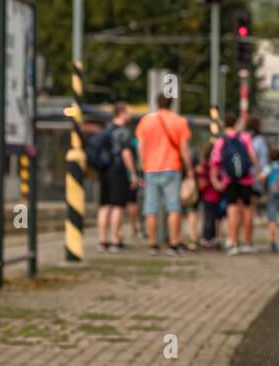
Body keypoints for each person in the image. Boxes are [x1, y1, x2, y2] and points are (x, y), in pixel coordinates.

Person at [134, 93, 192, 256]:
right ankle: (173, 244)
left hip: (151, 169)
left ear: (156, 103)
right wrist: (189, 169)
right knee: (173, 207)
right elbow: (184, 149)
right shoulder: (179, 121)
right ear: (172, 104)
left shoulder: (145, 121)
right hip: (172, 167)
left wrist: (144, 164)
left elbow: (140, 146)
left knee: (150, 208)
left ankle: (153, 244)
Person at [92, 102, 138, 253]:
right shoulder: (123, 132)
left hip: (104, 172)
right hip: (118, 172)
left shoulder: (105, 131)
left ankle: (102, 240)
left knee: (104, 206)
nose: (129, 115)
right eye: (128, 112)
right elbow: (126, 153)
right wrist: (132, 173)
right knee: (117, 206)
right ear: (122, 113)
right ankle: (115, 240)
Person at [211, 111, 256, 255]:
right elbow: (252, 156)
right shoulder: (245, 137)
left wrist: (215, 180)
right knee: (248, 209)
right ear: (236, 123)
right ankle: (247, 241)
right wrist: (257, 172)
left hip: (229, 179)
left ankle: (233, 242)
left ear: (224, 124)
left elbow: (215, 162)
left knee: (232, 210)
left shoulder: (221, 141)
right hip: (246, 179)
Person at [245, 116, 270, 245]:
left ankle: (233, 241)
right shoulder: (260, 141)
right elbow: (265, 164)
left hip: (238, 180)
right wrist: (260, 179)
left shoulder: (241, 138)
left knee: (237, 211)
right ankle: (248, 240)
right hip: (253, 180)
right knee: (250, 211)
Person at [196, 141, 222, 250]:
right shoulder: (214, 165)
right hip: (214, 195)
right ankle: (208, 239)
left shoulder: (202, 165)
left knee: (208, 218)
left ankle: (208, 238)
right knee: (212, 219)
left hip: (207, 195)